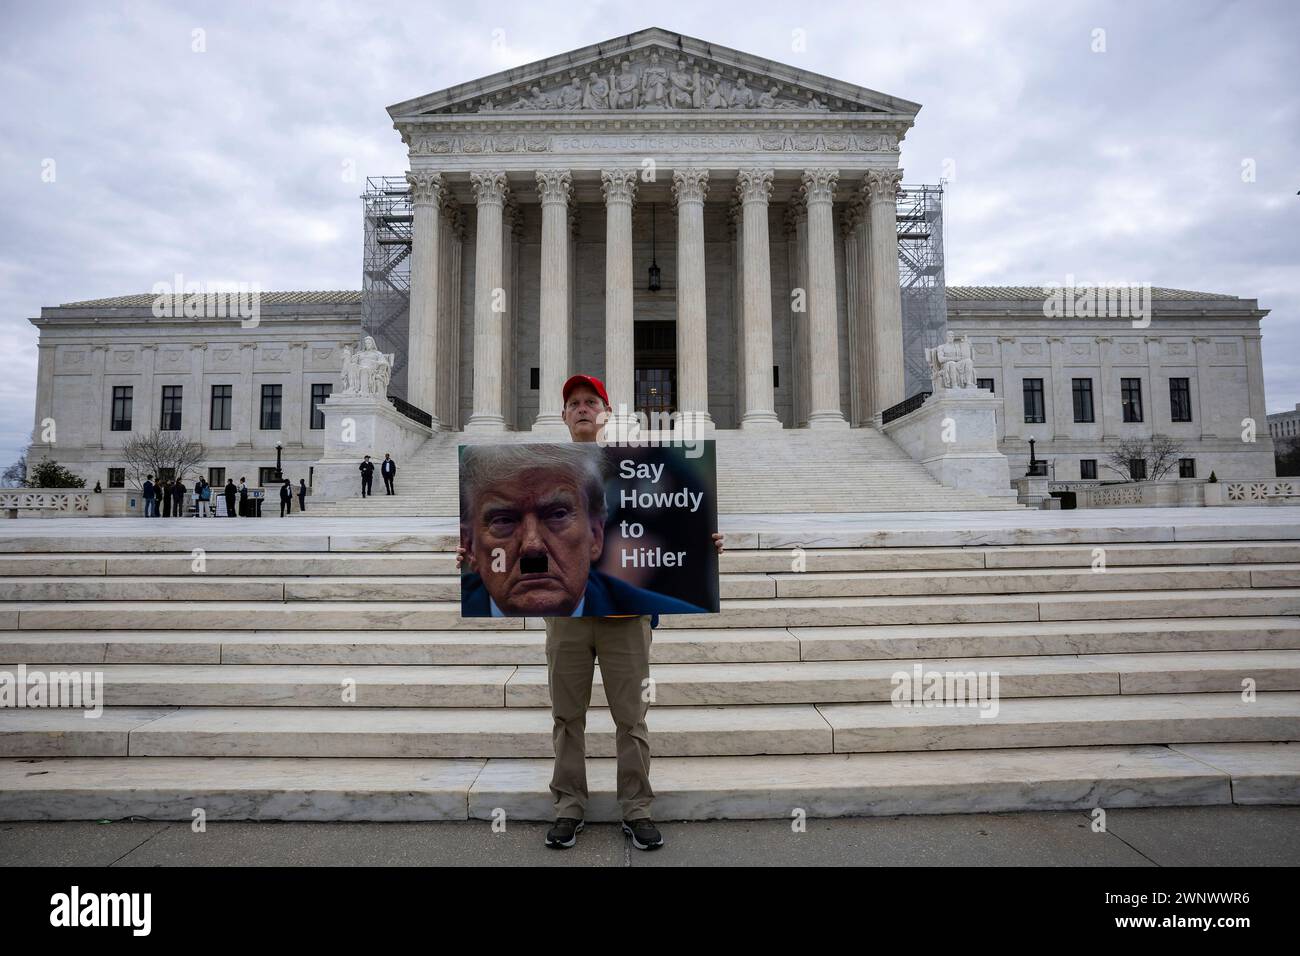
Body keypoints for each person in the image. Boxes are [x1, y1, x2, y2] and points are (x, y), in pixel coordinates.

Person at [457, 373, 724, 853]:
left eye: (590, 401)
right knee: (567, 716)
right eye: (574, 402)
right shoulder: (541, 473)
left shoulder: (638, 469)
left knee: (631, 719)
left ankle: (637, 810)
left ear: (605, 411)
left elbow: (672, 529)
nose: (582, 408)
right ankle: (568, 808)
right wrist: (470, 558)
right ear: (563, 416)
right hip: (566, 619)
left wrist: (702, 547)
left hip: (626, 618)